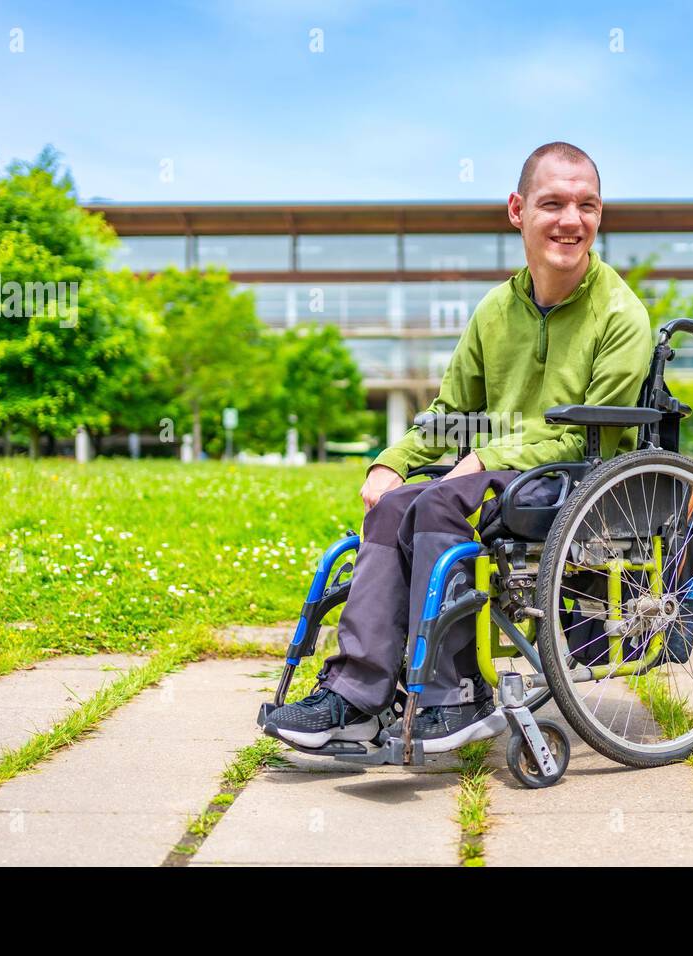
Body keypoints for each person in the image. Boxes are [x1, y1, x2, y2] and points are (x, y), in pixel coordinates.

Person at [265, 142, 653, 749]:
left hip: (579, 478)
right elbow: (452, 414)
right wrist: (392, 464)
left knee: (440, 504)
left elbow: (587, 431)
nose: (570, 221)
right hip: (498, 472)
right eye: (552, 203)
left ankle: (456, 696)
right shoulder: (496, 311)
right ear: (517, 210)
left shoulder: (622, 314)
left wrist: (485, 457)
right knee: (397, 504)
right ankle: (357, 695)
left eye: (587, 205)